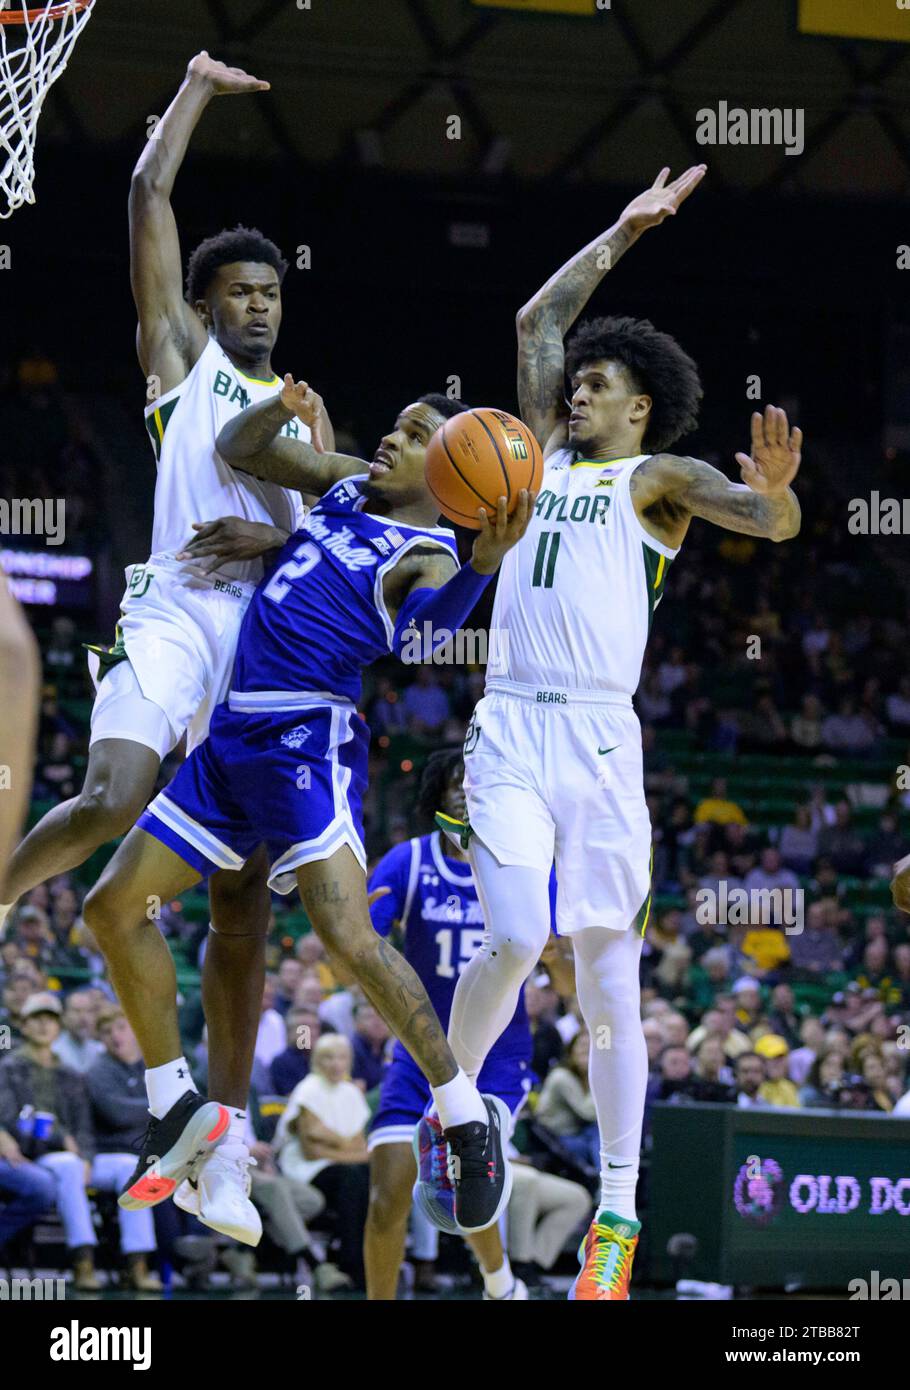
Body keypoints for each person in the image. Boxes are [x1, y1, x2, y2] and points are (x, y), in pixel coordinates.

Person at [436, 166, 802, 1298]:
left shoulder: (654, 478)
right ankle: (465, 1112)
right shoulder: (526, 456)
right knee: (506, 939)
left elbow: (768, 519)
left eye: (594, 387)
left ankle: (618, 1216)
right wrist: (622, 231)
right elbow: (533, 319)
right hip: (508, 722)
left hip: (598, 739)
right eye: (575, 386)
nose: (575, 395)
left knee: (607, 979)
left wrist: (780, 495)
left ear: (637, 405)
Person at [0, 53, 329, 1245]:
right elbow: (147, 197)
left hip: (266, 652)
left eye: (268, 294)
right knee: (106, 796)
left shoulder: (302, 412)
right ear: (201, 305)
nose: (254, 305)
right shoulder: (178, 368)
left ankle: (217, 1147)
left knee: (241, 917)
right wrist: (191, 90)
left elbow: (330, 563)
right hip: (172, 620)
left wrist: (271, 535)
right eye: (235, 291)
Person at [81, 379, 532, 1236]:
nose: (395, 437)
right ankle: (178, 1107)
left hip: (303, 742)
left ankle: (463, 1114)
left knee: (348, 937)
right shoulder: (347, 485)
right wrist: (281, 404)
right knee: (111, 908)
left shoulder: (426, 551)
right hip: (230, 743)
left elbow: (434, 629)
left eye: (417, 434)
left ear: (448, 474)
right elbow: (242, 449)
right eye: (399, 423)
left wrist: (480, 567)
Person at [363, 749, 538, 1300]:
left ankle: (499, 1281)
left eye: (478, 782)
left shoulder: (521, 866)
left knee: (470, 1186)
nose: (466, 790)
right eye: (457, 782)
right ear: (438, 792)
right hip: (421, 1053)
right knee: (388, 1194)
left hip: (497, 1056)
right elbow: (361, 939)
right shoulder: (408, 862)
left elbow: (553, 947)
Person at [276, 1034, 371, 1290]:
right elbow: (311, 1152)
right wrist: (345, 1144)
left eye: (341, 1057)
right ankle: (351, 1261)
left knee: (366, 1172)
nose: (336, 1063)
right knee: (352, 1175)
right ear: (317, 1060)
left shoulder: (352, 1093)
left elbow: (362, 1147)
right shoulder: (308, 1089)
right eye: (328, 1057)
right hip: (306, 1171)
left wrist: (333, 1141)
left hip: (344, 1168)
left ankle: (360, 1257)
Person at [84, 1007, 161, 1290]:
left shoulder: (154, 1066)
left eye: (120, 1027)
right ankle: (137, 1264)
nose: (115, 1036)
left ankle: (195, 1256)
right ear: (100, 1039)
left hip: (150, 1153)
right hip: (107, 1154)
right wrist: (160, 1108)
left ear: (135, 1029)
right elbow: (117, 1114)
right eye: (106, 1032)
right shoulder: (97, 1071)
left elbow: (183, 1105)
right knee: (135, 1171)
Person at [52, 991, 105, 1075]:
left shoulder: (101, 1050)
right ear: (64, 1016)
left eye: (88, 1011)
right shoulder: (54, 1051)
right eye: (77, 1011)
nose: (84, 1018)